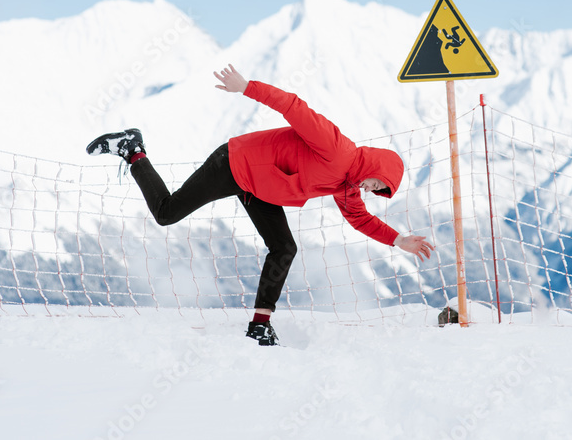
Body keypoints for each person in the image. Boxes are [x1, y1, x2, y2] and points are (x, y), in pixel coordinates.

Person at [86, 64, 435, 346]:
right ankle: (133, 149)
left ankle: (260, 325)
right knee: (167, 213)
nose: (369, 189)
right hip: (235, 163)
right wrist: (246, 86)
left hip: (259, 190)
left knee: (284, 247)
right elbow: (293, 106)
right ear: (374, 167)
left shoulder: (346, 187)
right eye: (375, 183)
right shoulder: (337, 149)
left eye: (376, 190)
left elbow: (361, 220)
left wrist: (397, 240)